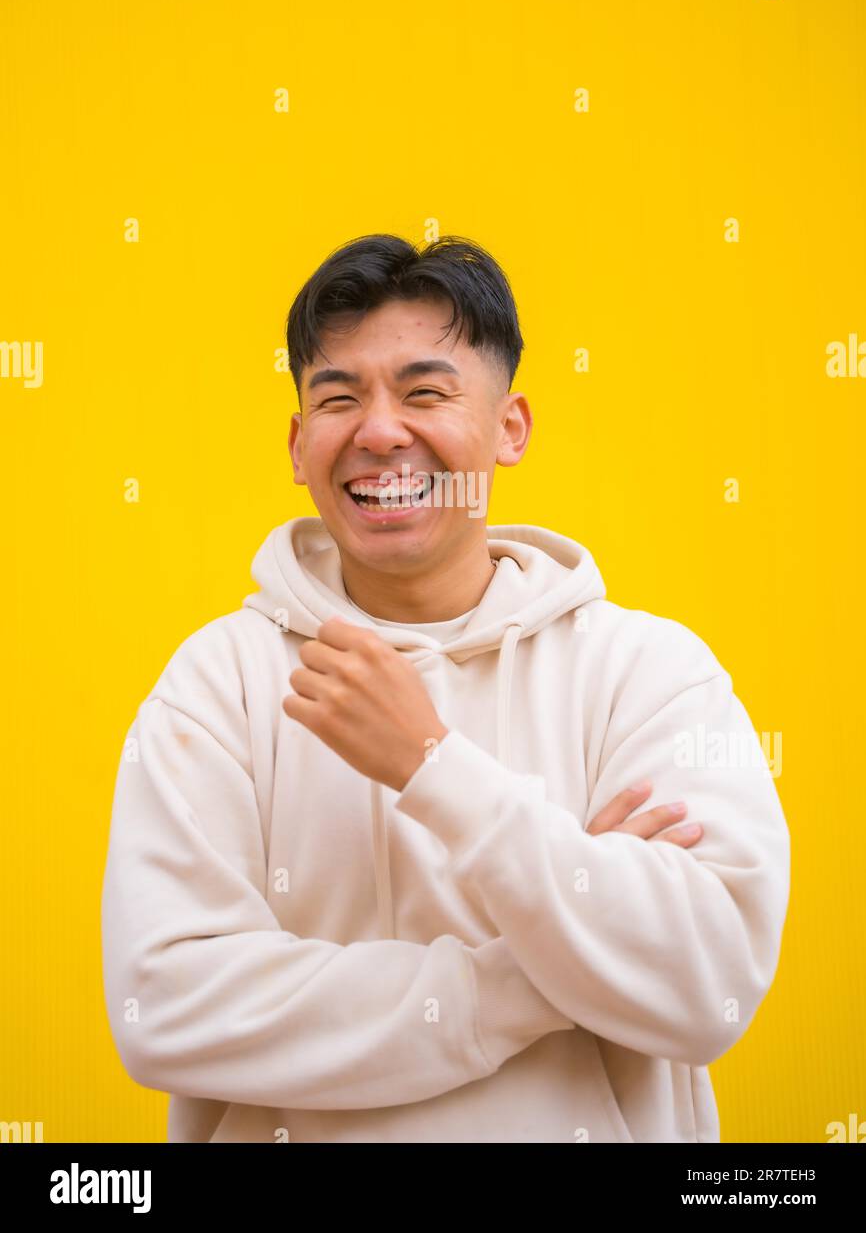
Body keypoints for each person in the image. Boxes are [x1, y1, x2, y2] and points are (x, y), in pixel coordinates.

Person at [100, 234, 790, 1143]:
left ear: (511, 428)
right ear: (300, 445)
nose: (380, 431)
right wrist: (538, 972)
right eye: (338, 398)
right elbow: (167, 1010)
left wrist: (433, 767)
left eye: (425, 392)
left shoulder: (649, 673)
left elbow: (709, 984)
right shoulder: (218, 681)